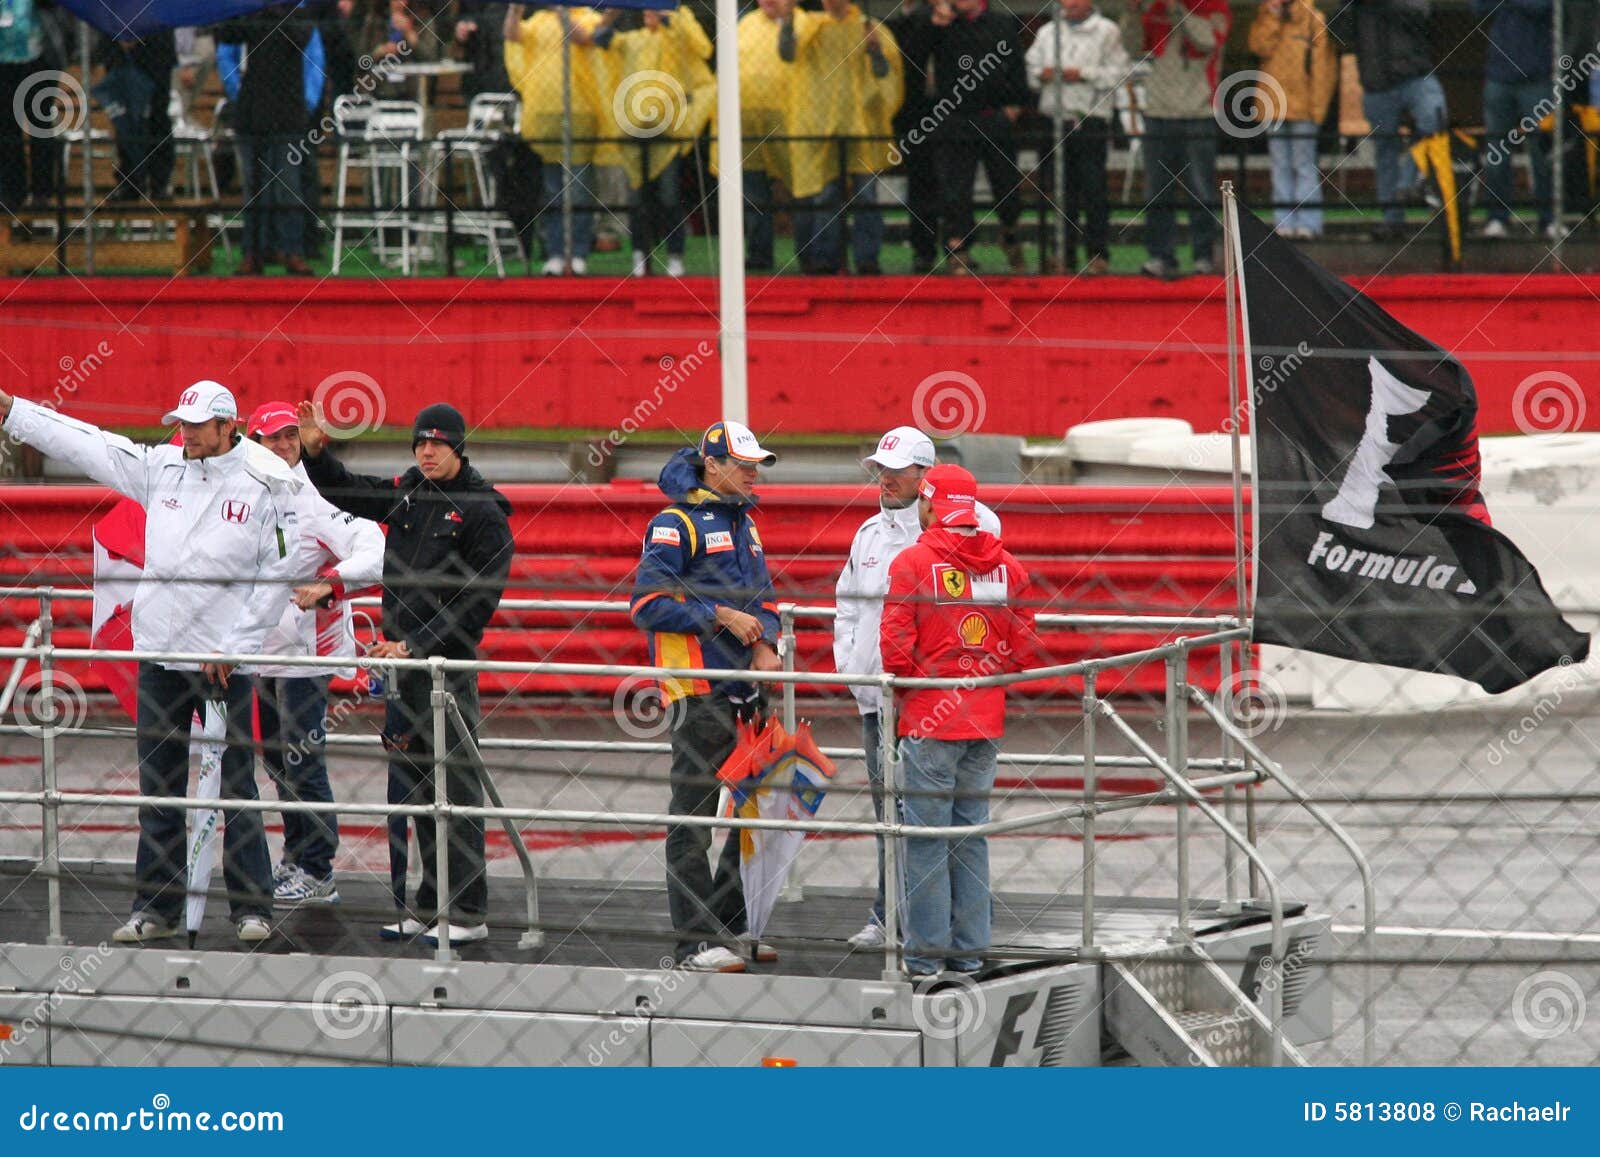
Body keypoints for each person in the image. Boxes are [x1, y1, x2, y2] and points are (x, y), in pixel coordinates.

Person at [0, 380, 299, 945]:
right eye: (180, 422)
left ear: (227, 426)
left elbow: (276, 578)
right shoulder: (160, 466)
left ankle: (250, 909)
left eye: (195, 425)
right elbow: (87, 444)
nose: (184, 433)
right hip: (160, 654)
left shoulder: (270, 480)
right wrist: (15, 412)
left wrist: (235, 648)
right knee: (158, 785)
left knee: (236, 785)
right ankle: (154, 908)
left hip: (224, 665)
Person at [297, 401, 513, 947]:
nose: (427, 451)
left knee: (456, 791)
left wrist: (415, 645)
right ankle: (428, 906)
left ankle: (467, 911)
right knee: (416, 790)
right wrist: (316, 455)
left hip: (444, 671)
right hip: (402, 670)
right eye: (420, 442)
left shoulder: (485, 511)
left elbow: (475, 606)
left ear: (459, 447)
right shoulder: (410, 490)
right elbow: (347, 491)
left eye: (438, 443)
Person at [834, 428, 1000, 952]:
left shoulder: (980, 524)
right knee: (892, 815)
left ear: (925, 475)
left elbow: (997, 611)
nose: (883, 478)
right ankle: (892, 917)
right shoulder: (868, 533)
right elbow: (849, 605)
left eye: (897, 469)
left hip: (940, 703)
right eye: (879, 467)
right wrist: (852, 668)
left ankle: (943, 934)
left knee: (941, 823)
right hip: (880, 699)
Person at [630, 420, 783, 973]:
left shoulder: (747, 524)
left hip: (748, 691)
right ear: (711, 465)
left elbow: (765, 596)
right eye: (743, 464)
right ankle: (694, 941)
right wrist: (716, 615)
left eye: (756, 464)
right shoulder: (674, 524)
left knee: (750, 816)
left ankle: (730, 926)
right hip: (696, 691)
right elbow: (645, 605)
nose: (752, 472)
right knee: (691, 819)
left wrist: (766, 641)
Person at [879, 464, 1037, 977]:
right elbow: (1025, 649)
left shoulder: (912, 562)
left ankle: (925, 960)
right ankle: (969, 955)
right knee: (971, 836)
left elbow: (895, 652)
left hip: (929, 720)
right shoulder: (1008, 566)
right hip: (985, 720)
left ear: (929, 502)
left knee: (925, 843)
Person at [246, 402, 384, 906]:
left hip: (306, 657)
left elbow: (372, 545)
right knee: (278, 763)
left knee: (302, 762)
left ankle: (318, 870)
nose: (282, 446)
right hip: (258, 654)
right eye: (271, 438)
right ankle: (296, 858)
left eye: (289, 437)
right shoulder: (242, 491)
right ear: (253, 442)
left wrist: (330, 584)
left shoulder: (313, 497)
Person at [779, 0, 902, 275]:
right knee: (826, 193)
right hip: (822, 126)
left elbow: (885, 75)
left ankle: (867, 258)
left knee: (866, 195)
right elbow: (787, 55)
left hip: (862, 127)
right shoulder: (811, 27)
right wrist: (787, 24)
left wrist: (875, 50)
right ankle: (825, 259)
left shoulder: (869, 28)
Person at [597, 7, 715, 278]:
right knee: (638, 197)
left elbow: (702, 48)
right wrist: (612, 12)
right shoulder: (634, 39)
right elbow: (602, 38)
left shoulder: (676, 34)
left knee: (669, 196)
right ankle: (640, 254)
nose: (649, 11)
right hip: (634, 128)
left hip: (668, 129)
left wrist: (671, 18)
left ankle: (675, 256)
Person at [1123, 0, 1230, 278]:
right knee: (1157, 191)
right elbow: (1132, 46)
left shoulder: (1215, 8)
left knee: (1201, 190)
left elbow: (1207, 41)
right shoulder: (1155, 10)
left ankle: (1203, 256)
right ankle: (1160, 255)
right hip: (1158, 112)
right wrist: (1133, 12)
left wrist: (1178, 9)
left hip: (1199, 112)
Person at [216, 4, 326, 275]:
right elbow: (227, 35)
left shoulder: (297, 15)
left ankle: (292, 250)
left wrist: (274, 10)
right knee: (254, 188)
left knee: (288, 187)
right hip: (252, 111)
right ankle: (254, 252)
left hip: (288, 112)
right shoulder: (251, 13)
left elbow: (302, 41)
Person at [922, 0, 1029, 275]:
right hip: (954, 119)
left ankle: (1010, 235)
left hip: (994, 117)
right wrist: (933, 26)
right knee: (955, 190)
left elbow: (1016, 65)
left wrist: (1014, 108)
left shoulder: (1001, 24)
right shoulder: (938, 25)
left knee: (1006, 185)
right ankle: (958, 249)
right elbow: (916, 57)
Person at [503, 3, 611, 275]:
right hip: (546, 113)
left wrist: (564, 13)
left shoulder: (588, 17)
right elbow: (512, 35)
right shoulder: (539, 20)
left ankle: (577, 251)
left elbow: (583, 38)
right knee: (552, 187)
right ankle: (554, 251)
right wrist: (515, 9)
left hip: (579, 111)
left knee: (578, 186)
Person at [1026, 0, 1130, 274]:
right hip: (1053, 121)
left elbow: (1117, 73)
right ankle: (1063, 255)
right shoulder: (1048, 31)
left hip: (1090, 121)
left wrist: (1081, 74)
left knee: (1093, 189)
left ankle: (1098, 255)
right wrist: (1042, 75)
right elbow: (1030, 69)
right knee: (1059, 192)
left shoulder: (1107, 31)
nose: (1067, 4)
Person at [1328, 0, 1446, 242]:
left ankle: (1409, 180)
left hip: (1415, 75)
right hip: (1376, 83)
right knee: (1385, 150)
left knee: (1434, 121)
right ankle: (1393, 220)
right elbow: (1337, 33)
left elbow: (1423, 13)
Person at [1248, 0, 1336, 240]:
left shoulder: (1312, 18)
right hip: (1273, 105)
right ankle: (1284, 223)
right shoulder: (1267, 15)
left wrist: (1318, 108)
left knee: (1304, 165)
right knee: (1280, 166)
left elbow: (1323, 68)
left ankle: (1309, 223)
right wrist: (1273, 16)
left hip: (1304, 105)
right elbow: (1259, 46)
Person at [1473, 0, 1555, 239]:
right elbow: (1479, 8)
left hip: (1537, 78)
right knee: (1497, 152)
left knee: (1542, 152)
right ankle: (1497, 219)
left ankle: (1549, 219)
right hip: (1499, 76)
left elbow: (1545, 8)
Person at [734, 0, 794, 271]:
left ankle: (817, 257)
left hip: (793, 124)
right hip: (750, 126)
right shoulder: (744, 25)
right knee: (755, 192)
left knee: (804, 190)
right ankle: (759, 255)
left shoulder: (802, 23)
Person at [886, 0, 941, 274]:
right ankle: (923, 251)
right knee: (920, 184)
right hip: (913, 118)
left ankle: (957, 249)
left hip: (951, 116)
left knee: (953, 186)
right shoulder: (895, 27)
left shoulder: (948, 22)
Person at [92, 28, 177, 201]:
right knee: (124, 119)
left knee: (158, 116)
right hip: (119, 51)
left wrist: (139, 33)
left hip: (156, 47)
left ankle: (159, 182)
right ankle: (129, 182)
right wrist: (121, 34)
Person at [0, 0, 62, 212]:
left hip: (38, 58)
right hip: (4, 62)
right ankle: (12, 192)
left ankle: (42, 192)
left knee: (40, 125)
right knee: (6, 127)